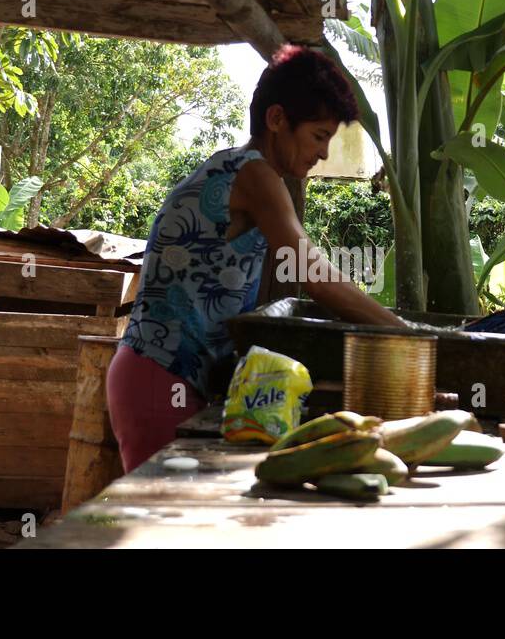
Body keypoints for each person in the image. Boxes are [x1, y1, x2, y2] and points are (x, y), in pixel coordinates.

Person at [107, 45, 406, 473]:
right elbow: (314, 275)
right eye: (319, 136)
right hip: (160, 376)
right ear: (277, 119)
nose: (323, 153)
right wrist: (404, 331)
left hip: (160, 374)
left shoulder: (235, 167)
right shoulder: (255, 176)